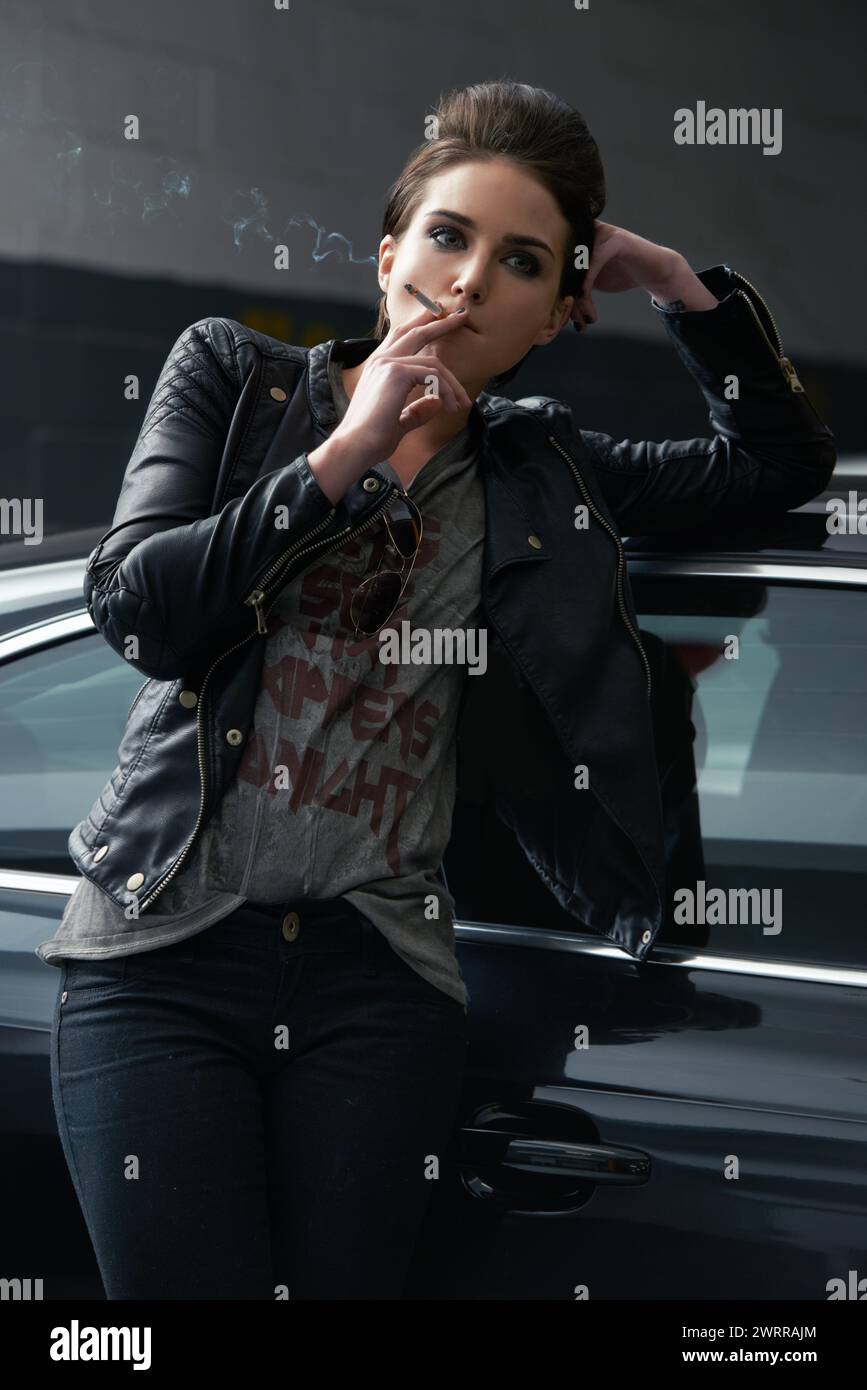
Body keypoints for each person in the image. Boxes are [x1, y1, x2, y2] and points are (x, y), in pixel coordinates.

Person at [40, 79, 836, 1300]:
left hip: (380, 981)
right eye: (449, 238)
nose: (469, 284)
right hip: (162, 954)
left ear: (555, 317)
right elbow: (138, 606)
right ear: (389, 253)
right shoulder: (235, 379)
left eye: (521, 264)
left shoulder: (543, 470)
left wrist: (679, 285)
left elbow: (779, 465)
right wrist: (345, 451)